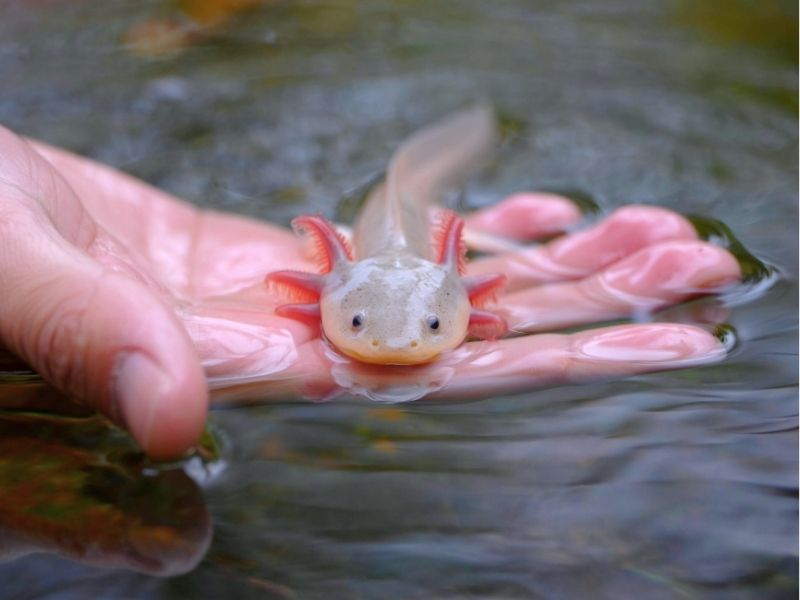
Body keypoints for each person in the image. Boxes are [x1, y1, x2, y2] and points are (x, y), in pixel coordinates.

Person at [0, 126, 741, 459]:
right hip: (370, 260)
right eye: (357, 321)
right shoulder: (323, 279)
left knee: (420, 201)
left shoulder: (454, 277)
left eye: (427, 325)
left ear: (468, 299)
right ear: (310, 288)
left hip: (422, 256)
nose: (395, 344)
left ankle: (463, 144)